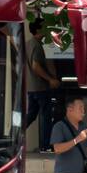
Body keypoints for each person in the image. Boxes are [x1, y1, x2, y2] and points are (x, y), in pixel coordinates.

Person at [26, 18, 63, 151]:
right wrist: (50, 80)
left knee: (31, 115)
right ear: (38, 30)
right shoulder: (36, 45)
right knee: (46, 116)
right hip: (41, 88)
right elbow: (36, 66)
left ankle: (15, 136)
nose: (46, 30)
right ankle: (46, 145)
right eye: (43, 27)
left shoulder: (28, 44)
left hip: (31, 87)